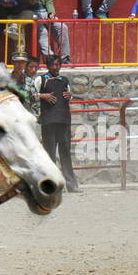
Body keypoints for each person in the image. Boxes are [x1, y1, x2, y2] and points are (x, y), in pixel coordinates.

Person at [38, 55, 78, 193]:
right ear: (47, 66)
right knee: (50, 154)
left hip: (64, 121)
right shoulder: (41, 80)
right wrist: (42, 96)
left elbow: (69, 95)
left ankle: (71, 185)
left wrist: (70, 95)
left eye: (57, 64)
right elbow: (31, 95)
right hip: (48, 122)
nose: (55, 67)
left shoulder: (65, 80)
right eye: (52, 65)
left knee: (65, 153)